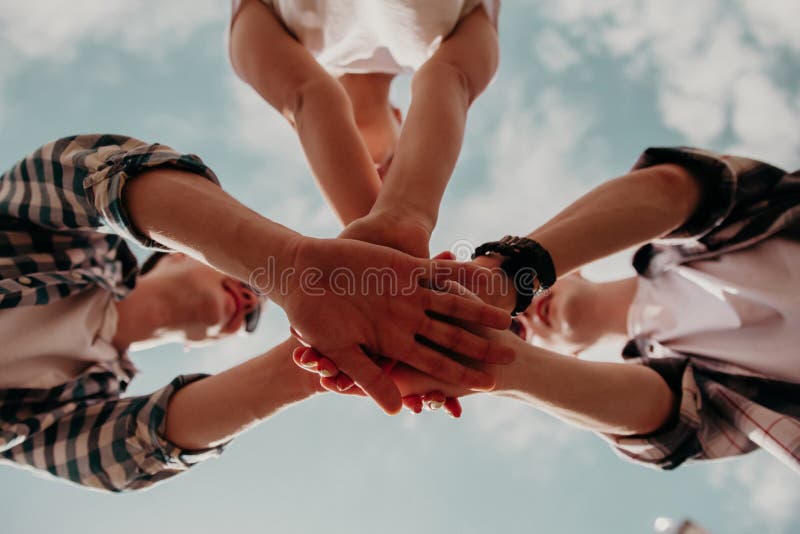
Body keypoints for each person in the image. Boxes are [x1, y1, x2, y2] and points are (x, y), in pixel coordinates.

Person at [0, 134, 514, 491]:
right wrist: (286, 266)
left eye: (251, 318)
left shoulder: (74, 404)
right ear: (178, 253)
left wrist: (332, 364)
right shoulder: (66, 244)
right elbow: (85, 175)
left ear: (200, 345)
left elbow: (136, 449)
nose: (251, 301)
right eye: (250, 283)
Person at [299, 147, 800, 472]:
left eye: (519, 306)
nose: (521, 316)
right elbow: (667, 420)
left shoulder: (687, 244)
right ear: (572, 355)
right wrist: (493, 364)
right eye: (516, 330)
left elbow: (680, 189)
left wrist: (508, 275)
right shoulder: (683, 381)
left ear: (575, 270)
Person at [229, 0, 500, 257]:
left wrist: (384, 235)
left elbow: (311, 98)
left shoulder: (266, 36)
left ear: (298, 128)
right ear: (400, 119)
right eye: (391, 171)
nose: (380, 186)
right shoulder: (457, 42)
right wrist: (404, 214)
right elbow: (449, 79)